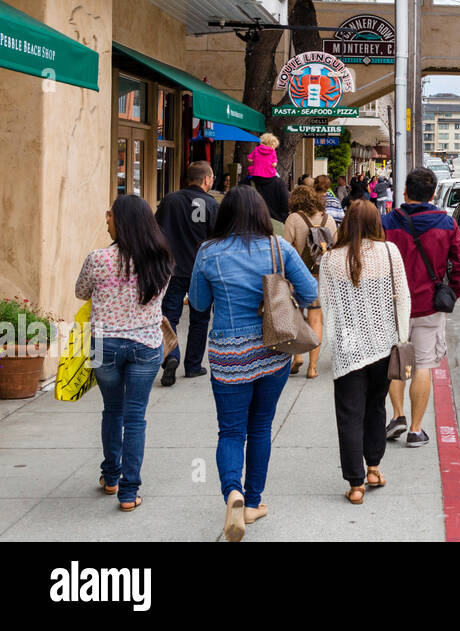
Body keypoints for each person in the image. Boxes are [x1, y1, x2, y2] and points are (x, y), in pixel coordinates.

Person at [187, 186, 317, 542]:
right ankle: (253, 502)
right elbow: (310, 293)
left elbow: (198, 304)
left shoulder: (208, 252)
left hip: (228, 354)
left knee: (230, 431)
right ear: (262, 214)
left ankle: (232, 492)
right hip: (271, 351)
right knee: (260, 428)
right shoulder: (279, 248)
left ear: (224, 214)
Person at [76, 194, 174, 512]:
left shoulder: (98, 258)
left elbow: (80, 292)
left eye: (110, 215)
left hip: (105, 345)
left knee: (112, 410)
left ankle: (111, 476)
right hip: (146, 344)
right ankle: (129, 492)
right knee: (135, 418)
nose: (107, 220)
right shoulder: (162, 258)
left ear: (122, 221)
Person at [318, 201, 411, 505]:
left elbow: (326, 306)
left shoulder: (329, 260)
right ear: (376, 222)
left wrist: (334, 343)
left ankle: (355, 484)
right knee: (375, 407)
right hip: (384, 344)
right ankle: (373, 468)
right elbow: (403, 300)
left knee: (348, 414)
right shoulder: (389, 253)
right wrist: (402, 339)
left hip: (347, 347)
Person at [382, 168, 460, 448]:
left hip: (394, 306)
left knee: (396, 361)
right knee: (423, 365)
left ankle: (398, 416)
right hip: (429, 306)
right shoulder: (445, 224)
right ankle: (416, 430)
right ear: (433, 194)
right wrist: (450, 294)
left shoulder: (386, 223)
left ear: (404, 191)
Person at [154, 161, 219, 386]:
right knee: (199, 319)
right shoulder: (212, 205)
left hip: (172, 269)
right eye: (211, 178)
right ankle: (193, 365)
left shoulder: (169, 201)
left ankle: (171, 356)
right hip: (201, 271)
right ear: (206, 180)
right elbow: (218, 239)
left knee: (169, 317)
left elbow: (156, 231)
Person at [284, 185, 338, 379]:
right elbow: (335, 249)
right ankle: (312, 367)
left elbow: (285, 248)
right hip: (320, 278)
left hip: (297, 277)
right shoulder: (329, 219)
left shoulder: (293, 219)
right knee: (316, 319)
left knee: (296, 317)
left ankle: (297, 355)